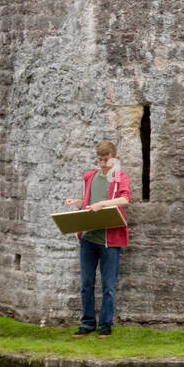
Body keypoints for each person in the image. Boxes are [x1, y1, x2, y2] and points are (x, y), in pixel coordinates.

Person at [64, 141, 131, 337]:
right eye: (100, 160)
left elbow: (125, 199)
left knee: (108, 286)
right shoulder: (90, 177)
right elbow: (88, 202)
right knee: (86, 284)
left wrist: (102, 204)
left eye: (107, 160)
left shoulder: (120, 179)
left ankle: (105, 326)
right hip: (88, 238)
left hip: (109, 241)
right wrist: (77, 202)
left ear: (114, 158)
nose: (103, 164)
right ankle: (87, 324)